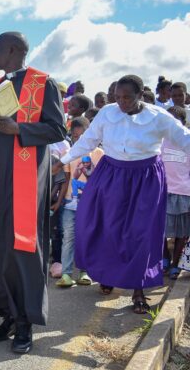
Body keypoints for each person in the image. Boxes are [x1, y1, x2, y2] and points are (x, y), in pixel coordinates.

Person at [58, 75, 190, 314]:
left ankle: (138, 290)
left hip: (146, 179)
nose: (121, 102)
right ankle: (107, 274)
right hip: (112, 175)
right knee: (108, 227)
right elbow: (88, 140)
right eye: (117, 97)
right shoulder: (108, 113)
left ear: (140, 95)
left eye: (127, 97)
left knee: (141, 233)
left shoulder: (159, 117)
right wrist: (63, 160)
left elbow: (185, 139)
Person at [0, 32, 66, 355]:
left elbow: (57, 129)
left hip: (25, 181)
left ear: (12, 50)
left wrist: (19, 129)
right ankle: (6, 314)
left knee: (22, 248)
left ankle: (25, 321)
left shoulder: (43, 84)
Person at [55, 117, 102, 288]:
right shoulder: (70, 154)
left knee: (87, 237)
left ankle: (84, 272)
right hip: (70, 203)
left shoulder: (99, 154)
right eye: (74, 137)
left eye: (81, 136)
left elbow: (101, 181)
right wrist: (60, 201)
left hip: (90, 205)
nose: (78, 140)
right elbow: (66, 180)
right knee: (68, 237)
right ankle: (67, 274)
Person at [160, 106, 190, 280]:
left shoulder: (187, 142)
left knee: (182, 231)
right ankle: (164, 257)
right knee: (161, 229)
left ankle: (175, 264)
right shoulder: (160, 141)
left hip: (184, 193)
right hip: (163, 191)